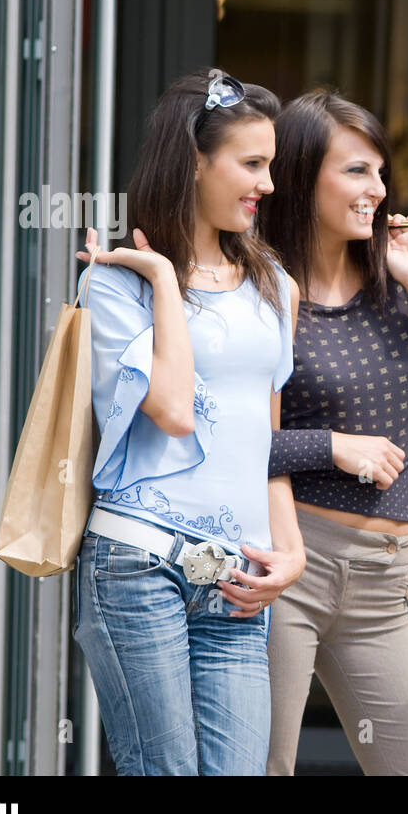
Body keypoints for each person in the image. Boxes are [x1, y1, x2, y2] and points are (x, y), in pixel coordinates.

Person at [72, 68, 306, 775]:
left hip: (236, 578)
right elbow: (173, 409)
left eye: (271, 165)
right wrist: (168, 282)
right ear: (195, 161)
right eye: (252, 163)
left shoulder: (275, 283)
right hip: (139, 565)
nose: (267, 183)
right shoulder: (116, 282)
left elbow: (266, 434)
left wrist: (288, 548)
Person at [259, 89, 408, 776]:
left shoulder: (396, 288)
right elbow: (222, 440)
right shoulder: (264, 294)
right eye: (356, 170)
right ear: (303, 177)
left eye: (381, 172)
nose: (378, 189)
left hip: (383, 582)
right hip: (286, 562)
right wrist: (333, 447)